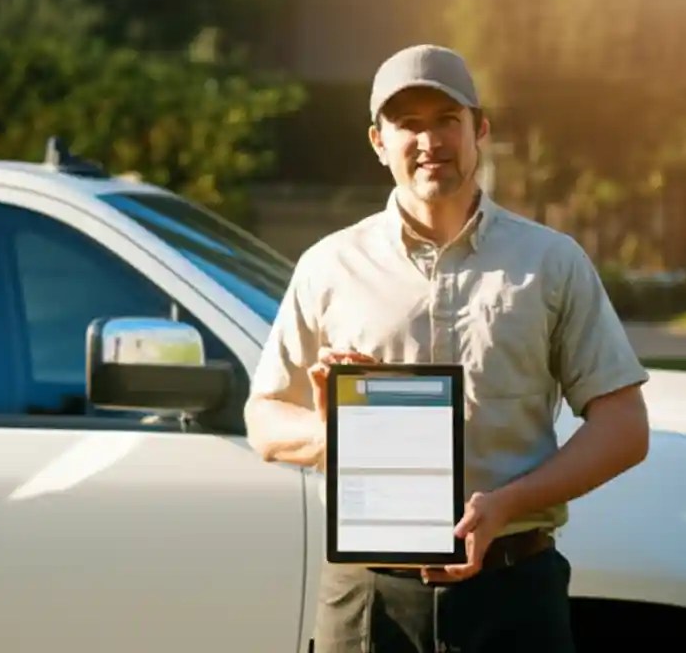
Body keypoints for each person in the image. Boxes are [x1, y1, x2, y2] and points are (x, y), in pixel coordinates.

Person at [243, 44, 651, 653]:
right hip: (367, 599)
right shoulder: (329, 266)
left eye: (445, 120)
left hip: (515, 591)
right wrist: (339, 434)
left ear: (479, 130)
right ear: (378, 142)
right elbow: (264, 416)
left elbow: (624, 428)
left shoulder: (550, 262)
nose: (428, 140)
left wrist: (507, 505)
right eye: (407, 124)